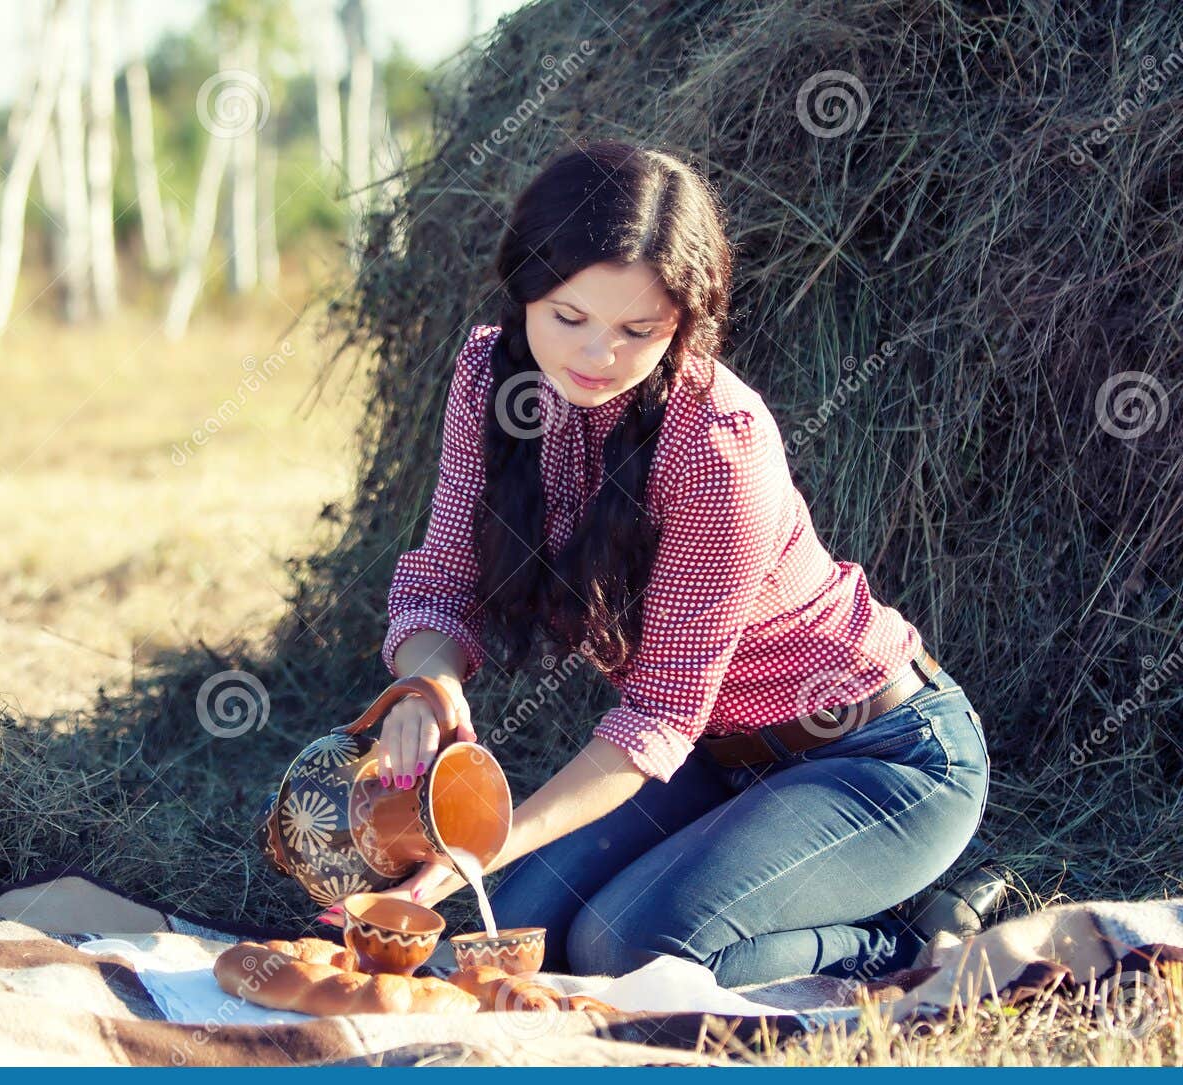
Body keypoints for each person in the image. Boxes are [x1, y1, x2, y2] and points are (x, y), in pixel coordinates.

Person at [316, 139, 1001, 987]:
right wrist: (428, 686)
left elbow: (657, 720)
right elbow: (442, 582)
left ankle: (909, 942)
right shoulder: (485, 382)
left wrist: (483, 847)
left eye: (638, 330)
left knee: (628, 949)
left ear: (684, 322)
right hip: (719, 760)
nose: (596, 356)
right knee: (525, 936)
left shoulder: (720, 445)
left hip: (880, 756)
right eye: (568, 317)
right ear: (526, 284)